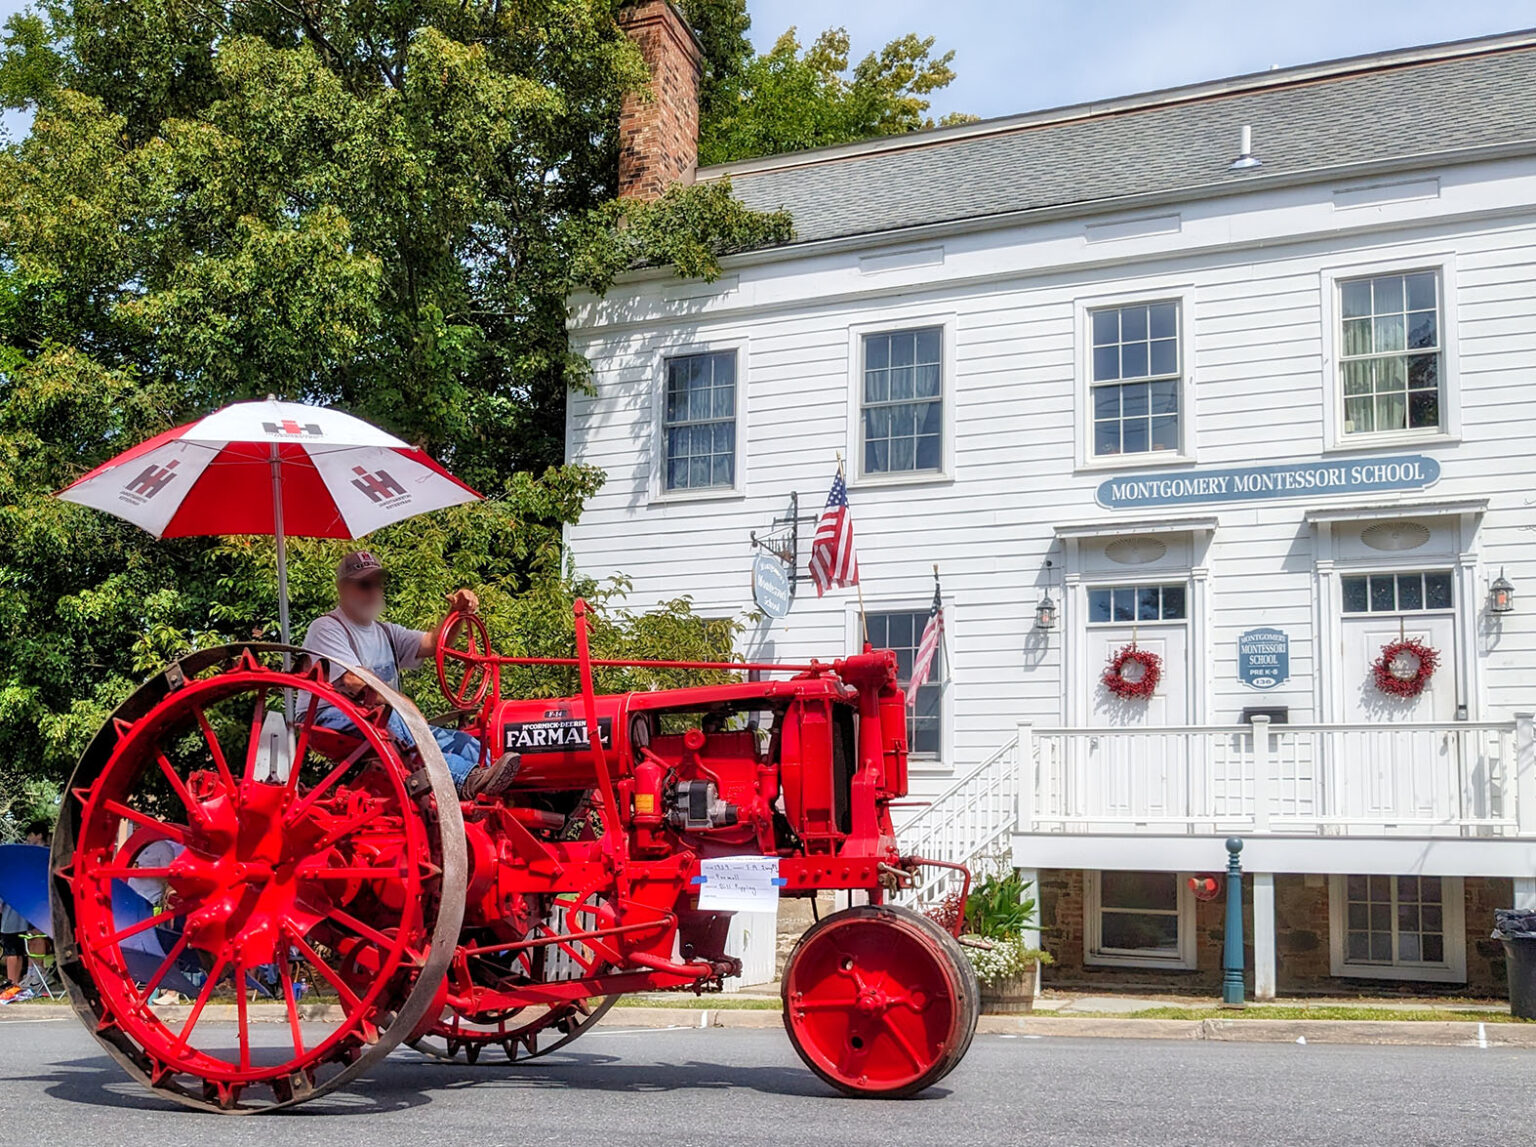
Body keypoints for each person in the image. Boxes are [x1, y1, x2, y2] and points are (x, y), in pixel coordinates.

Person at [302, 550, 520, 799]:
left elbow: (434, 643)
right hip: (331, 717)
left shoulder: (386, 632)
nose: (373, 590)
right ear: (342, 588)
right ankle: (467, 778)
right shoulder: (327, 627)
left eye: (378, 583)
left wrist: (458, 615)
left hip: (381, 717)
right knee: (396, 723)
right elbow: (353, 680)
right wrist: (404, 705)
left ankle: (510, 780)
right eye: (364, 584)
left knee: (462, 741)